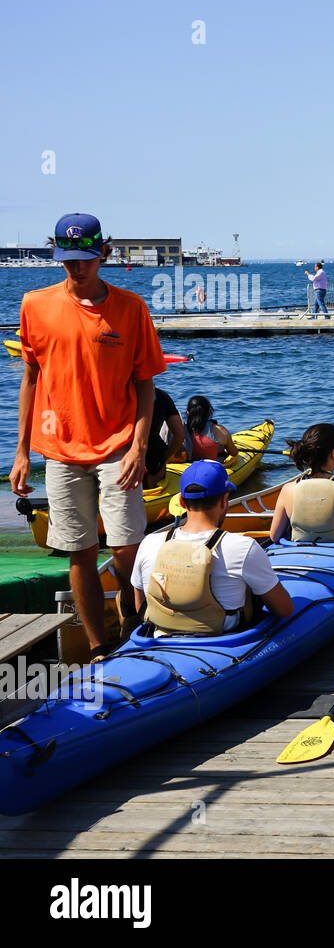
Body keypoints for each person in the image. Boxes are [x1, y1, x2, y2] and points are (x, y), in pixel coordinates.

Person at [10, 213, 166, 660]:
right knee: (79, 550)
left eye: (84, 258)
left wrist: (139, 445)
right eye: (66, 259)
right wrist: (21, 452)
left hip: (117, 444)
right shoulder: (35, 304)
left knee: (126, 547)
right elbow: (30, 379)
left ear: (104, 253)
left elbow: (144, 384)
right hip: (59, 449)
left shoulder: (131, 307)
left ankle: (138, 622)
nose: (75, 268)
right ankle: (99, 646)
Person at [131, 460, 294, 634]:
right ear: (224, 500)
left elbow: (141, 607)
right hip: (225, 639)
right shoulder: (243, 548)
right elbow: (285, 609)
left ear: (182, 502)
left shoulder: (149, 543)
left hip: (160, 634)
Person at [144, 387, 186, 489]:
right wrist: (164, 459)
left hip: (120, 455)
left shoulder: (118, 395)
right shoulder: (161, 396)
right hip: (154, 457)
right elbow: (179, 435)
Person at [182, 395, 238, 463]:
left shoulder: (180, 430)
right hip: (211, 470)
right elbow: (234, 453)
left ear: (188, 413)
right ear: (208, 412)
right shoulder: (220, 431)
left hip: (186, 469)